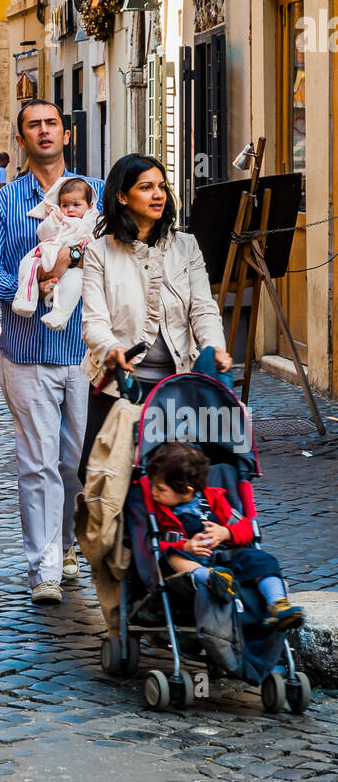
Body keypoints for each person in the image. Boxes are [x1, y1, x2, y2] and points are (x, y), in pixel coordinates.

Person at [0, 100, 104, 605]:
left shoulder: (93, 197)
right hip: (26, 351)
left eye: (52, 124)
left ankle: (68, 544)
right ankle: (43, 568)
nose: (44, 132)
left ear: (66, 134)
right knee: (37, 464)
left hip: (84, 352)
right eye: (34, 125)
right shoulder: (5, 203)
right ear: (22, 138)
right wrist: (31, 288)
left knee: (74, 461)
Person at [79, 153, 233, 485]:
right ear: (122, 196)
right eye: (146, 187)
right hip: (119, 389)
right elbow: (93, 321)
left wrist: (214, 348)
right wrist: (111, 349)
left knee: (178, 482)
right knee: (104, 480)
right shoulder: (99, 252)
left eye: (161, 186)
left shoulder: (186, 247)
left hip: (177, 386)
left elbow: (203, 308)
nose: (158, 194)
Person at [145, 441, 304, 631]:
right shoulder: (159, 511)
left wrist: (226, 532)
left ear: (186, 491)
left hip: (224, 560)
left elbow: (247, 529)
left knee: (261, 559)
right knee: (172, 556)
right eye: (153, 486)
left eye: (160, 489)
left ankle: (277, 603)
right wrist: (184, 547)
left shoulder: (214, 499)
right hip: (190, 566)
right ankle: (211, 578)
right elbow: (153, 545)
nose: (153, 492)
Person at [12, 177, 98, 329]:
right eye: (65, 205)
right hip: (47, 252)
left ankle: (60, 314)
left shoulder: (93, 219)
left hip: (74, 267)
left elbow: (103, 237)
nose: (70, 209)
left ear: (90, 205)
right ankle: (26, 296)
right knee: (27, 264)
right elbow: (43, 233)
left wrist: (90, 238)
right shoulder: (57, 217)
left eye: (76, 205)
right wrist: (54, 221)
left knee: (74, 284)